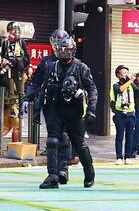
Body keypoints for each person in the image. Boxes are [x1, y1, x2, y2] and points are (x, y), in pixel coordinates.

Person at [34, 35, 96, 189]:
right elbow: (44, 88)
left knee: (79, 143)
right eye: (61, 50)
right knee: (52, 141)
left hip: (73, 111)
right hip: (54, 109)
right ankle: (53, 176)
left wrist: (91, 110)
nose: (64, 53)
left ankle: (89, 172)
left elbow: (92, 89)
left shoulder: (81, 68)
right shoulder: (51, 66)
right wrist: (37, 107)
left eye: (67, 50)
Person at [23, 30, 73, 181]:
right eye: (56, 40)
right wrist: (27, 98)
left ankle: (63, 168)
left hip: (68, 104)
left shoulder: (74, 62)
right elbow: (36, 82)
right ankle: (53, 172)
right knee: (53, 138)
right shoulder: (46, 61)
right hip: (50, 104)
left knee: (65, 136)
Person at [2, 22, 28, 136]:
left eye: (17, 29)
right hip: (8, 73)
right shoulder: (5, 43)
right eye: (13, 29)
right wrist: (5, 62)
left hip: (19, 72)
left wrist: (22, 63)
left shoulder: (22, 43)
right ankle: (13, 110)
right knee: (11, 92)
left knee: (21, 92)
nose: (15, 31)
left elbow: (27, 57)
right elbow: (2, 56)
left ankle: (20, 111)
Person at [111, 65, 135, 164]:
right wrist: (130, 81)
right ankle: (119, 157)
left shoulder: (131, 86)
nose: (125, 75)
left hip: (130, 114)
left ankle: (128, 157)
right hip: (120, 114)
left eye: (127, 73)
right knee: (119, 136)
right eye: (123, 73)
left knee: (130, 136)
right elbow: (120, 90)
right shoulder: (115, 85)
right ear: (118, 75)